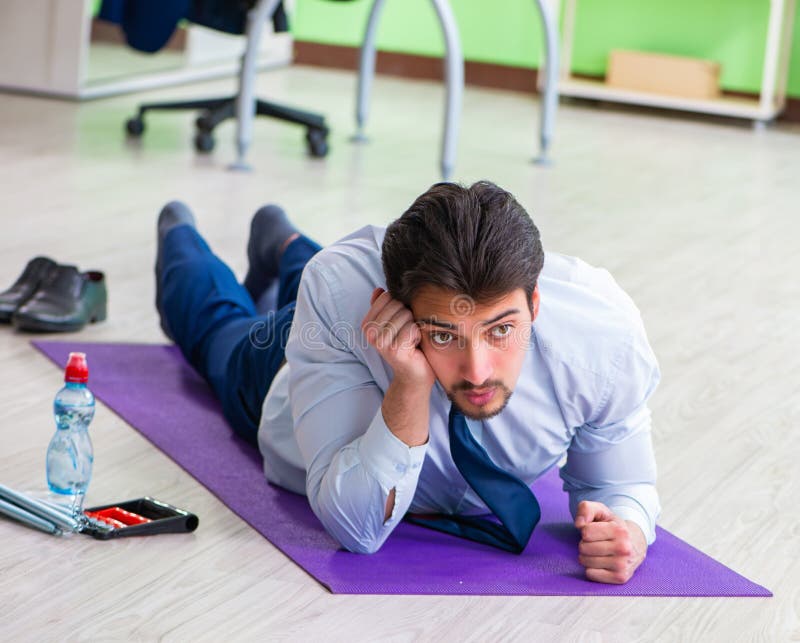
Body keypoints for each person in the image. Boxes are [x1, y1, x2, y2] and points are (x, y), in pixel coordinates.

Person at [156, 180, 660, 585]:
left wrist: (628, 530)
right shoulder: (340, 300)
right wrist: (410, 384)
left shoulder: (601, 338)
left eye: (501, 330)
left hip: (347, 305)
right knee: (218, 330)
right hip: (301, 363)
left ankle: (283, 242)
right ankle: (178, 232)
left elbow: (623, 484)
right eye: (444, 334)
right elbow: (356, 528)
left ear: (534, 303)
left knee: (313, 275)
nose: (478, 371)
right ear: (397, 308)